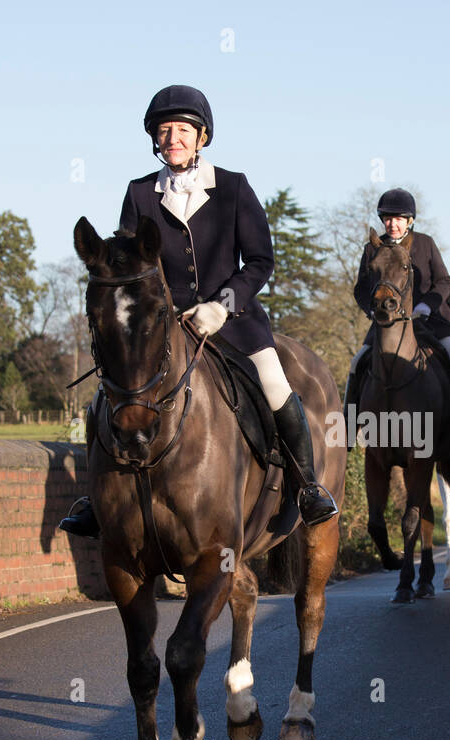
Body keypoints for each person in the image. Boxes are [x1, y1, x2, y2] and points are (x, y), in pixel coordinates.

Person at [61, 84, 337, 537]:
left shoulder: (232, 187)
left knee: (273, 382)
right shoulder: (139, 193)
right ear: (155, 139)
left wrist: (221, 306)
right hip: (162, 325)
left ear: (201, 136)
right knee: (106, 396)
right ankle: (97, 497)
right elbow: (129, 263)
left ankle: (306, 486)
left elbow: (261, 260)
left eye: (183, 130)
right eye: (165, 130)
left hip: (234, 319)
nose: (173, 137)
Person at [343, 189, 450, 443]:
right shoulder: (372, 248)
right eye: (388, 218)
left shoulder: (425, 243)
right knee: (358, 360)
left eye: (399, 218)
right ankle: (348, 425)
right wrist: (370, 308)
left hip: (431, 318)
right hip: (386, 322)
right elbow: (360, 287)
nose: (393, 224)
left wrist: (427, 305)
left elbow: (444, 280)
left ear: (409, 220)